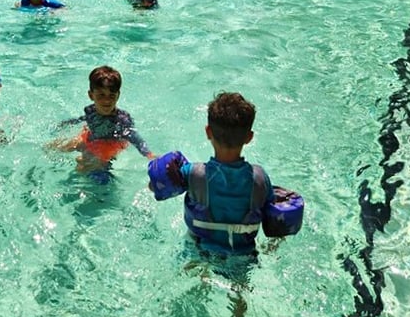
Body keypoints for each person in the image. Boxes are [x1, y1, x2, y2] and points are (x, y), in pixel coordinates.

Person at [148, 91, 274, 257]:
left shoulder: (192, 174)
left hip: (198, 253)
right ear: (249, 138)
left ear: (208, 132)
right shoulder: (260, 179)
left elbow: (154, 187)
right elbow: (275, 221)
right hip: (243, 256)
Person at [50, 65, 155, 180]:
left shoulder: (122, 120)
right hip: (91, 137)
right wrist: (65, 124)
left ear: (118, 96)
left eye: (111, 96)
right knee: (54, 147)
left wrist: (148, 154)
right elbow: (83, 119)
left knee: (85, 166)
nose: (106, 100)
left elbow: (134, 137)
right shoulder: (91, 110)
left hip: (111, 145)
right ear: (91, 95)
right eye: (101, 95)